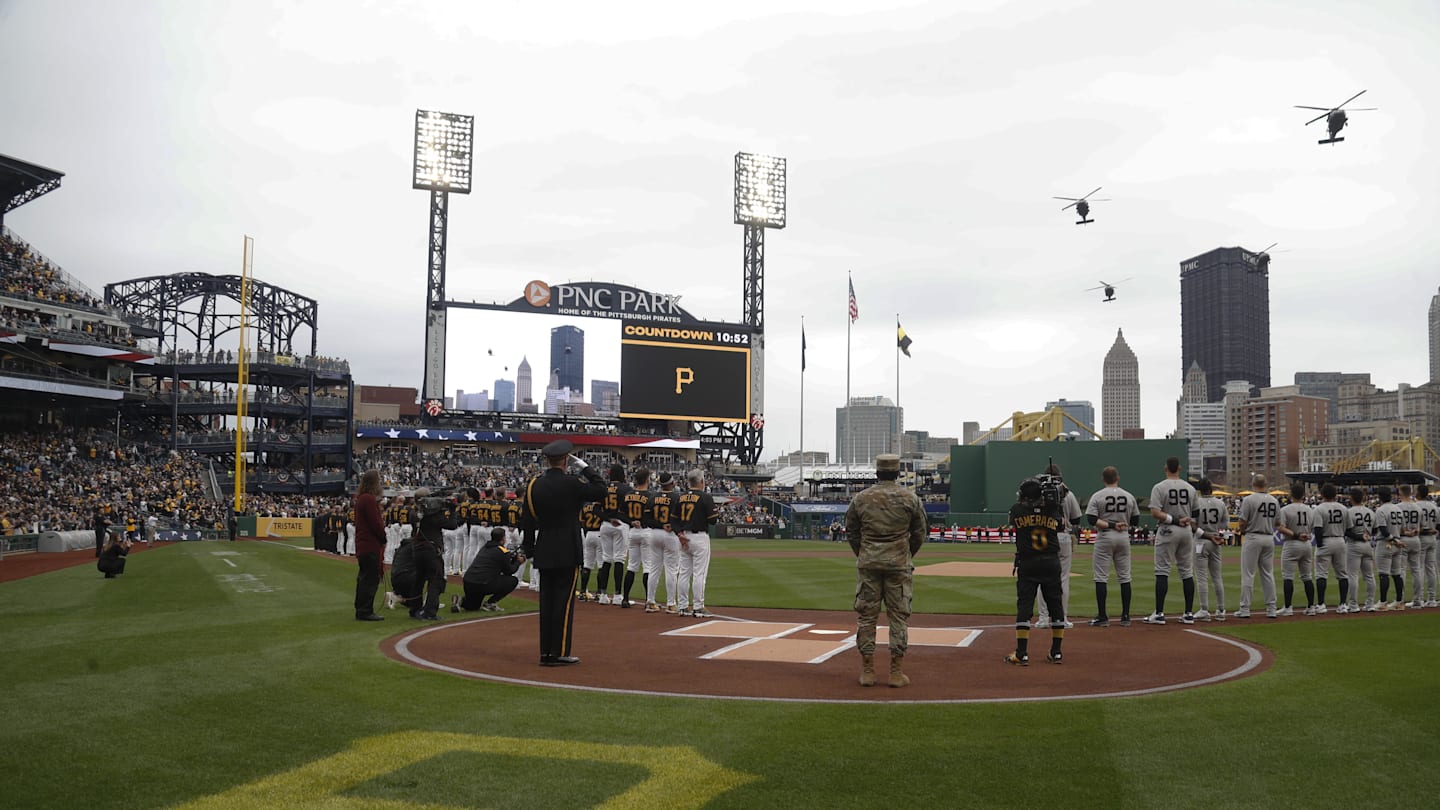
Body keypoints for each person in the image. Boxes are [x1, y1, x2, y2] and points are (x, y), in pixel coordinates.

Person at [520, 440, 607, 667]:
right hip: (568, 548)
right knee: (564, 604)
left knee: (546, 603)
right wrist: (586, 468)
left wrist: (528, 549)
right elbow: (601, 489)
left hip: (544, 547)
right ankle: (558, 653)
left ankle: (545, 652)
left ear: (547, 460)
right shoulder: (573, 483)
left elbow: (527, 521)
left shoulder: (533, 485)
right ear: (566, 460)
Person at [845, 454, 926, 688]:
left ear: (877, 473)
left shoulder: (862, 498)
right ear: (898, 473)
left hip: (869, 563)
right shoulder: (910, 498)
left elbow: (851, 530)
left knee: (866, 618)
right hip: (898, 564)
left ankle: (868, 671)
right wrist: (905, 553)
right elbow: (920, 532)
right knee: (899, 617)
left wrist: (863, 552)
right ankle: (895, 672)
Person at [1005, 477, 1066, 666]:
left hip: (1028, 562)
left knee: (1024, 606)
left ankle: (1021, 653)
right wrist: (1054, 500)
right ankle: (1056, 652)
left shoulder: (1017, 510)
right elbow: (1062, 525)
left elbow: (1012, 522)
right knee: (1056, 606)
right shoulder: (1052, 509)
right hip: (1051, 561)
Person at [1145, 456, 1198, 625]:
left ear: (1165, 468)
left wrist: (1174, 519)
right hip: (1186, 530)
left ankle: (1159, 613)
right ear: (1180, 468)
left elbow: (1155, 512)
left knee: (1162, 571)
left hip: (1168, 528)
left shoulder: (1160, 487)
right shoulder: (1190, 488)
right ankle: (1189, 613)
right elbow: (1195, 513)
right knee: (1187, 572)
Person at [1085, 466, 1138, 627]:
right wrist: (1122, 524)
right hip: (1123, 536)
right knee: (1125, 577)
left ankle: (1102, 617)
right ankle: (1126, 616)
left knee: (1101, 577)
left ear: (1103, 479)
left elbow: (1091, 519)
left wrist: (1111, 524)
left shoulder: (1098, 496)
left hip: (1105, 535)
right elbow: (1135, 521)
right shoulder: (1128, 496)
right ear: (1118, 478)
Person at [1034, 463, 1081, 631]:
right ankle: (1062, 618)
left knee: (1042, 578)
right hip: (1063, 536)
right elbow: (1076, 519)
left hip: (1043, 535)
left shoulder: (1038, 493)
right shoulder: (1067, 494)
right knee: (1062, 579)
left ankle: (1043, 618)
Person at [675, 469, 719, 618]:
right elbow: (713, 520)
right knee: (699, 573)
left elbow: (673, 519)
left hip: (684, 537)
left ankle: (682, 606)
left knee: (684, 573)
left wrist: (679, 534)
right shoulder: (705, 497)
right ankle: (698, 606)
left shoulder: (681, 497)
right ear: (701, 481)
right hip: (699, 537)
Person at [1236, 475, 1280, 619]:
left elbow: (1242, 522)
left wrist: (1242, 530)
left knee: (1248, 574)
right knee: (1268, 574)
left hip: (1253, 536)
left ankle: (1245, 609)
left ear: (1253, 484)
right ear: (1266, 484)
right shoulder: (1274, 500)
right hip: (1268, 536)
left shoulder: (1249, 500)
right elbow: (1277, 522)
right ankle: (1272, 608)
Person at [453, 527, 522, 613]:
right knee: (513, 580)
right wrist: (518, 563)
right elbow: (509, 571)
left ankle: (461, 601)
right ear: (503, 538)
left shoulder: (485, 547)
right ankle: (490, 603)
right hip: (484, 583)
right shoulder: (502, 551)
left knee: (473, 607)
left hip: (469, 581)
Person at [1277, 481, 1317, 616]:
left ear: (1291, 494)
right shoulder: (1310, 510)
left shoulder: (1285, 509)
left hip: (1292, 542)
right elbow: (1312, 528)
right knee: (1307, 576)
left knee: (1288, 576)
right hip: (1307, 544)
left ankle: (1288, 607)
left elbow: (1281, 528)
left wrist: (1296, 534)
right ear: (1303, 495)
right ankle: (1311, 606)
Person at [1310, 484, 1351, 613]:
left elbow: (1317, 529)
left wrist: (1320, 545)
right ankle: (1343, 604)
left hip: (1326, 540)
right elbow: (1349, 530)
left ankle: (1321, 604)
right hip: (1340, 540)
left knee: (1321, 574)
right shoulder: (1344, 508)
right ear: (1335, 494)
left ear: (1322, 495)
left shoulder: (1319, 508)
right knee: (1342, 574)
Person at [352, 469, 387, 621]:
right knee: (370, 579)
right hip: (370, 544)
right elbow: (376, 523)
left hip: (363, 543)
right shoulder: (368, 499)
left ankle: (361, 608)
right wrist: (383, 537)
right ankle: (365, 610)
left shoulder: (362, 498)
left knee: (364, 577)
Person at [1192, 478, 1229, 620]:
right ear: (1211, 488)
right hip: (1215, 539)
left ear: (1199, 490)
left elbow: (1193, 526)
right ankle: (1221, 610)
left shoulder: (1196, 503)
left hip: (1201, 540)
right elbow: (1225, 525)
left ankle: (1204, 609)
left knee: (1201, 577)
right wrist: (1217, 534)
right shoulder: (1220, 503)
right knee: (1217, 577)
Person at [596, 464, 632, 605]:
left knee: (606, 559)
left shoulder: (603, 488)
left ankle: (603, 594)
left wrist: (608, 518)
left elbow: (596, 510)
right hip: (621, 524)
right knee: (619, 559)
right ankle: (617, 595)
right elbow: (629, 510)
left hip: (605, 524)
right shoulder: (626, 489)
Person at [645, 472, 681, 614]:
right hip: (670, 535)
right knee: (671, 570)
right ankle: (671, 604)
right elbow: (680, 518)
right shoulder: (676, 498)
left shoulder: (653, 497)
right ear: (672, 483)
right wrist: (670, 525)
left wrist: (659, 525)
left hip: (654, 533)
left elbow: (645, 519)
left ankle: (650, 601)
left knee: (654, 569)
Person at [618, 468, 653, 609]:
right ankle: (648, 601)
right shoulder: (650, 495)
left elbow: (620, 514)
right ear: (646, 479)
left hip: (632, 531)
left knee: (632, 566)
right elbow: (652, 516)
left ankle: (625, 599)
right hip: (645, 531)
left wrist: (631, 521)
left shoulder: (628, 495)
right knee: (648, 567)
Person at [1345, 486, 1378, 613]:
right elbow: (1375, 530)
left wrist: (1359, 536)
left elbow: (1347, 531)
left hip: (1354, 544)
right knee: (1369, 575)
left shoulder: (1349, 512)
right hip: (1368, 544)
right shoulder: (1370, 511)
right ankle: (1370, 604)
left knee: (1353, 575)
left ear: (1351, 498)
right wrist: (1367, 535)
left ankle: (1353, 604)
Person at [1373, 486, 1405, 610]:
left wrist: (1394, 540)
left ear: (1380, 497)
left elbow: (1383, 530)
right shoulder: (1398, 509)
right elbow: (1402, 528)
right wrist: (1397, 540)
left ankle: (1383, 602)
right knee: (1397, 573)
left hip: (1386, 543)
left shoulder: (1380, 510)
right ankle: (1399, 601)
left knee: (1383, 574)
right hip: (1397, 542)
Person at [1395, 484, 1424, 609]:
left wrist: (1405, 532)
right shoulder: (1418, 507)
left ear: (1401, 493)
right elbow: (1422, 526)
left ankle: (1400, 599)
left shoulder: (1397, 507)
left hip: (1403, 538)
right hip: (1416, 538)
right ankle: (1418, 599)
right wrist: (1415, 531)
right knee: (1416, 570)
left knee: (1401, 570)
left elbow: (1397, 527)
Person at [578, 499, 605, 601]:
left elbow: (582, 521)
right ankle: (599, 593)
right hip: (599, 533)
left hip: (588, 534)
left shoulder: (585, 505)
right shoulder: (601, 505)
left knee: (587, 564)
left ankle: (582, 592)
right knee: (601, 565)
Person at [1418, 484, 1439, 607]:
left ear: (1419, 493)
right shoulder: (1434, 506)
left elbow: (1415, 527)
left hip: (1421, 538)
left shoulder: (1416, 506)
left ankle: (1419, 598)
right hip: (1432, 538)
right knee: (1431, 569)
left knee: (1419, 568)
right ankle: (1432, 598)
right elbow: (1438, 526)